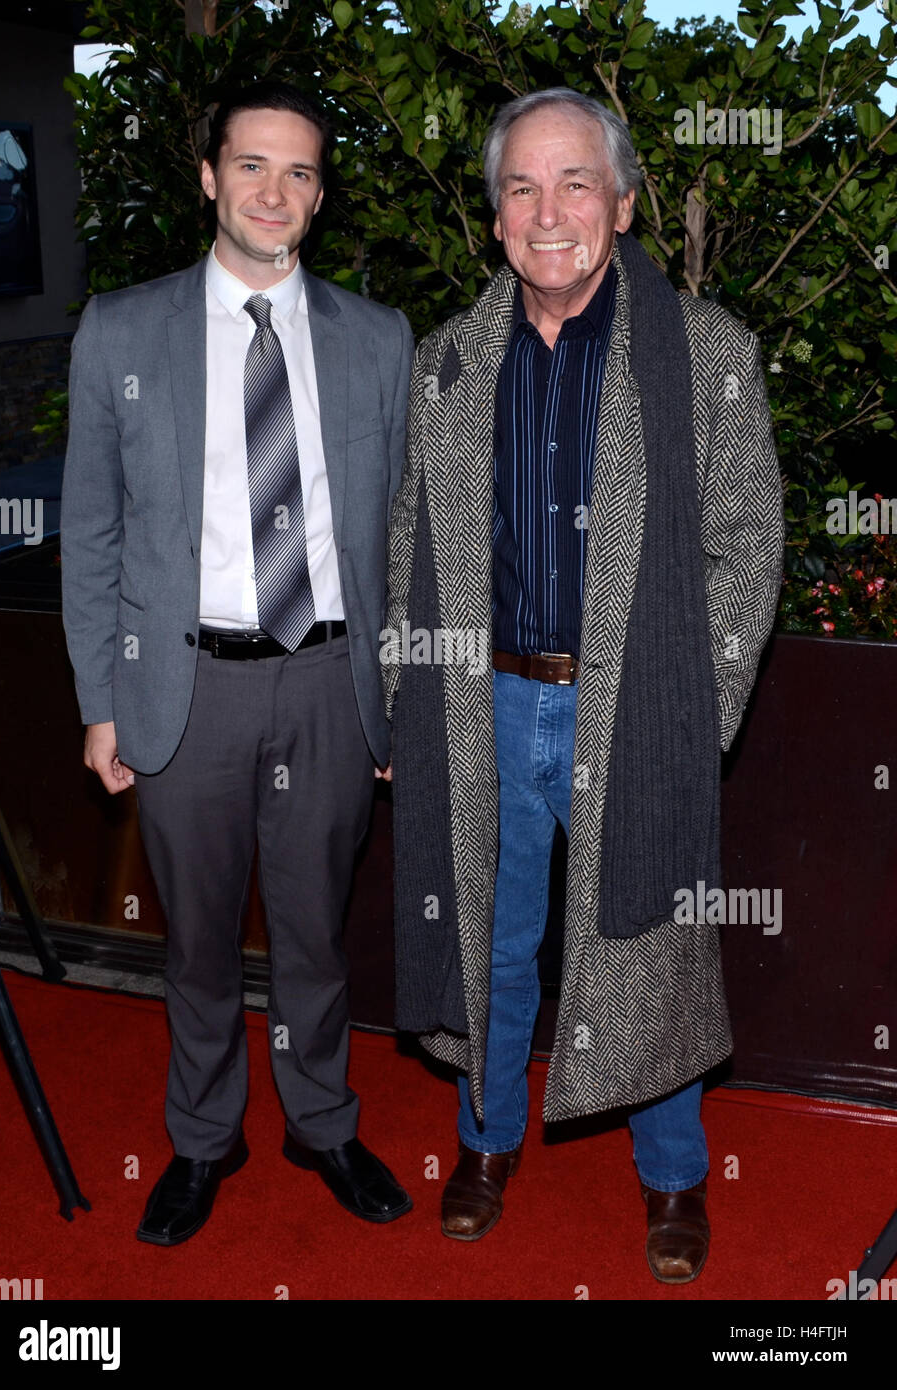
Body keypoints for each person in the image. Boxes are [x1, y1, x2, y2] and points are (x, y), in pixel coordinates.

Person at [385, 87, 784, 1283]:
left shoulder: (704, 352)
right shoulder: (446, 360)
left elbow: (749, 539)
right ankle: (486, 1141)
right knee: (491, 945)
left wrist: (695, 708)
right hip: (487, 703)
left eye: (573, 184)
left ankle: (671, 1176)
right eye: (521, 186)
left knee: (649, 941)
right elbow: (412, 537)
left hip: (635, 703)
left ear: (619, 201)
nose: (546, 212)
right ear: (496, 213)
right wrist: (410, 696)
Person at [61, 81, 413, 1246]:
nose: (276, 192)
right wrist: (99, 699)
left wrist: (396, 699)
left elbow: (402, 539)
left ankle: (323, 1122)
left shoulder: (376, 338)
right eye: (253, 166)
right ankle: (204, 1139)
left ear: (319, 192)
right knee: (200, 941)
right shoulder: (122, 327)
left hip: (328, 681)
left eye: (301, 171)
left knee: (317, 933)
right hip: (184, 688)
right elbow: (94, 530)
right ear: (210, 177)